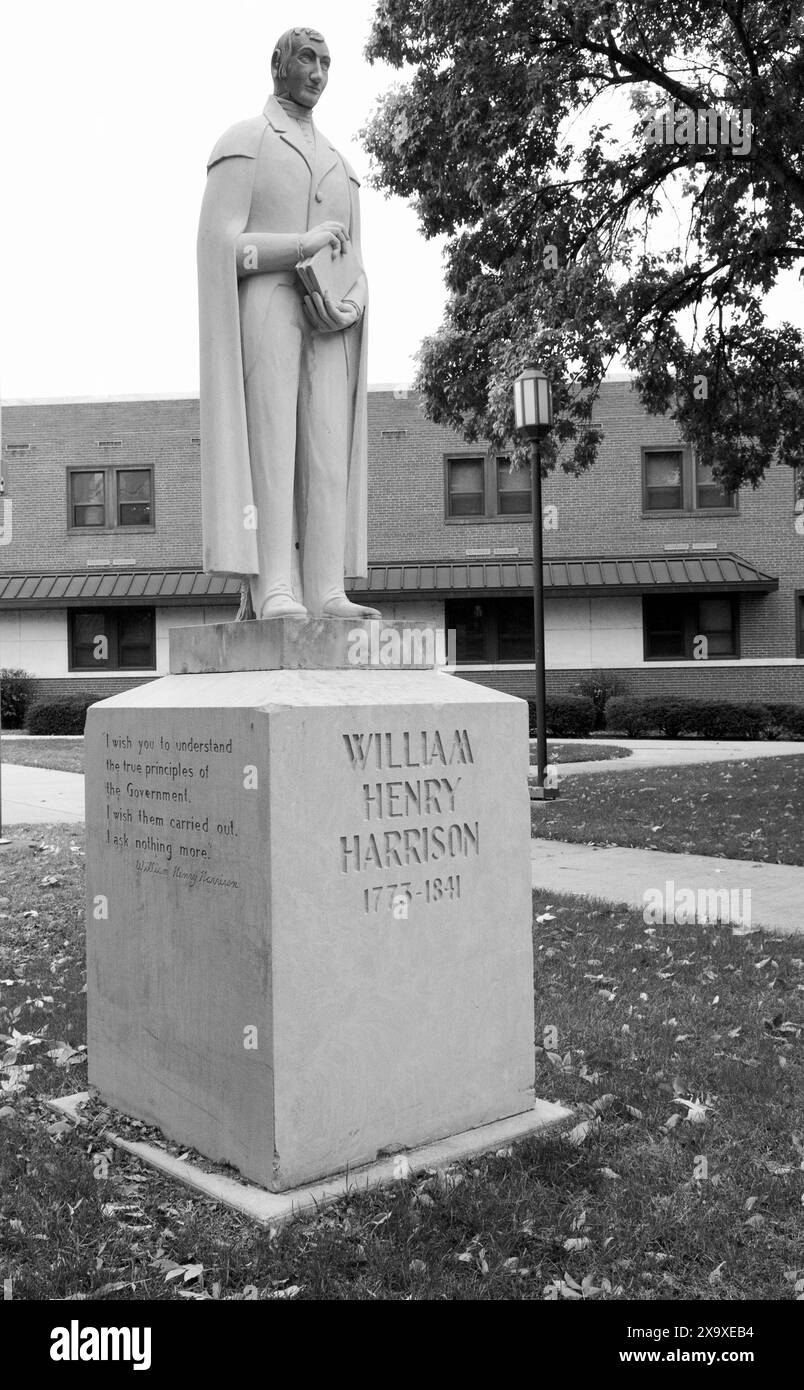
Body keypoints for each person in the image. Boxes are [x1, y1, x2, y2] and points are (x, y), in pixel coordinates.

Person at [197, 26, 381, 621]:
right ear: (277, 64)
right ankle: (275, 584)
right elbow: (221, 249)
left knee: (328, 449)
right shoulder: (244, 142)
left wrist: (352, 304)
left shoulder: (341, 166)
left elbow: (355, 264)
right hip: (268, 305)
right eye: (307, 58)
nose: (318, 72)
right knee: (273, 446)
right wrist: (296, 245)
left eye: (327, 62)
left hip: (327, 325)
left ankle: (327, 588)